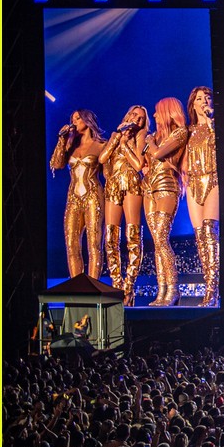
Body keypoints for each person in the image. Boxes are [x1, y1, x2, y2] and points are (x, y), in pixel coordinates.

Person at [98, 105, 149, 305]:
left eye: (141, 118)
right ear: (127, 115)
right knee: (110, 235)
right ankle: (116, 284)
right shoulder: (116, 135)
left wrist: (126, 143)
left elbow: (137, 164)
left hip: (131, 184)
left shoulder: (141, 136)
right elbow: (102, 158)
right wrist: (117, 139)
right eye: (135, 115)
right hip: (112, 185)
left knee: (132, 235)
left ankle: (129, 286)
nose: (137, 120)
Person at [49, 109, 107, 279]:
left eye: (77, 118)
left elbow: (108, 174)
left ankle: (93, 288)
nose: (74, 121)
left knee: (94, 244)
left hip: (94, 197)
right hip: (73, 198)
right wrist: (61, 139)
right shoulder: (70, 146)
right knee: (71, 244)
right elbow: (56, 164)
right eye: (72, 119)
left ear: (87, 121)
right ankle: (77, 287)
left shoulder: (101, 145)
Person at [143, 97, 189, 306]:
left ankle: (173, 289)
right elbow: (143, 161)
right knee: (156, 242)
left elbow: (158, 153)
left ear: (167, 112)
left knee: (162, 238)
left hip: (167, 186)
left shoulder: (180, 133)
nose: (153, 116)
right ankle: (162, 292)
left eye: (156, 111)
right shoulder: (157, 136)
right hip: (149, 188)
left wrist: (150, 142)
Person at [183, 86, 220, 307]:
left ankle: (212, 291)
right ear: (193, 104)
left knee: (209, 230)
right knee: (199, 238)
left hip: (214, 178)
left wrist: (212, 122)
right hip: (193, 182)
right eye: (199, 98)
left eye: (207, 97)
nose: (204, 100)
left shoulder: (216, 126)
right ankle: (209, 285)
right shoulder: (188, 131)